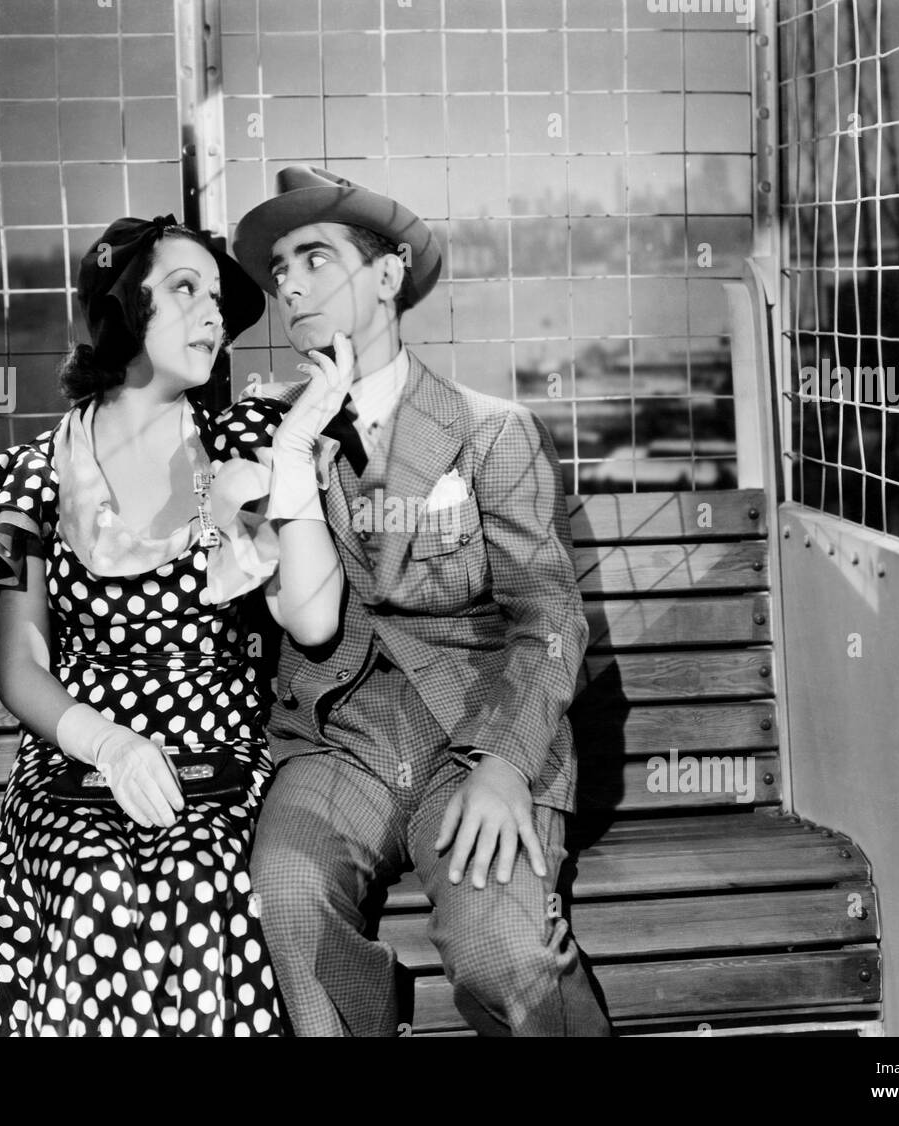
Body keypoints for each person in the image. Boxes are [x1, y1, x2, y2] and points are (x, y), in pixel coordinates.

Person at [0, 214, 349, 1036]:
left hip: (218, 757)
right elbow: (21, 663)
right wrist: (109, 743)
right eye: (185, 290)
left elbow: (312, 621)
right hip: (77, 758)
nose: (213, 315)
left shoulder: (248, 447)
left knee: (202, 879)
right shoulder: (27, 482)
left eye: (217, 299)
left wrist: (298, 449)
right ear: (124, 312)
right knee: (87, 878)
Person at [230, 166, 613, 1036]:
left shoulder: (490, 432)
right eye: (280, 268)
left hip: (472, 740)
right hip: (338, 744)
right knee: (285, 902)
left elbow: (550, 621)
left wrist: (507, 765)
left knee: (502, 954)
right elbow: (286, 607)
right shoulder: (266, 435)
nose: (288, 284)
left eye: (315, 258)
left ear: (389, 275)